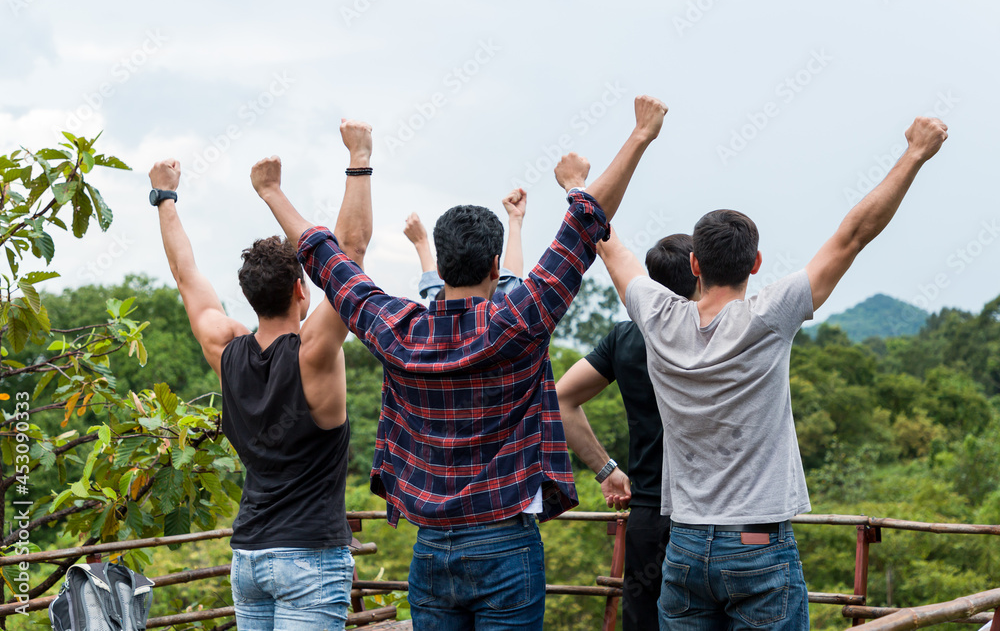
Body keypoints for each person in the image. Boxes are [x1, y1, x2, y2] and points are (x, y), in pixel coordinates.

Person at [250, 95, 668, 630]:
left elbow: (325, 258)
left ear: (439, 265)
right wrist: (636, 138)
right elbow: (583, 229)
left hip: (430, 550)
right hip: (506, 544)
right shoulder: (518, 320)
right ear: (497, 265)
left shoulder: (398, 329)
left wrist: (273, 192)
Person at [597, 115, 948, 630]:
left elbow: (604, 239)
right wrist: (915, 154)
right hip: (758, 544)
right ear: (756, 262)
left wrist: (580, 182)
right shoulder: (768, 316)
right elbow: (853, 236)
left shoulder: (656, 318)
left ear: (694, 265)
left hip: (686, 544)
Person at [148, 118, 375, 631]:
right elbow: (351, 255)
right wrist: (359, 157)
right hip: (310, 559)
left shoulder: (224, 349)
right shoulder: (314, 352)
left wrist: (164, 195)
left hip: (248, 556)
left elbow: (187, 277)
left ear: (250, 297)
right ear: (302, 290)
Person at [555, 150, 699, 631]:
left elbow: (560, 398)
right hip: (713, 517)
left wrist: (606, 468)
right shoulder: (721, 330)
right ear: (700, 274)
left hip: (648, 517)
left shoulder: (626, 336)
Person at [404, 186, 527, 301]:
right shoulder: (506, 318)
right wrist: (515, 220)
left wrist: (421, 242)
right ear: (495, 268)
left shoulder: (428, 319)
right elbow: (511, 286)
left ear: (439, 270)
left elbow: (435, 290)